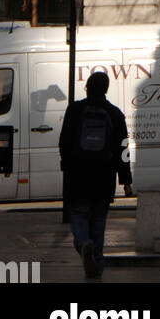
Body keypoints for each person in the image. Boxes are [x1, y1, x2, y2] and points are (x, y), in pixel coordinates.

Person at [59, 71, 133, 280]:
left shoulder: (75, 110)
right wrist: (126, 181)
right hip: (104, 177)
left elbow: (63, 141)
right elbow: (124, 149)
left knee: (79, 216)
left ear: (87, 87)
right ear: (106, 89)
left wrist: (67, 165)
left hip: (78, 176)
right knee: (99, 221)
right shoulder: (115, 114)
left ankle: (84, 245)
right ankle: (96, 262)